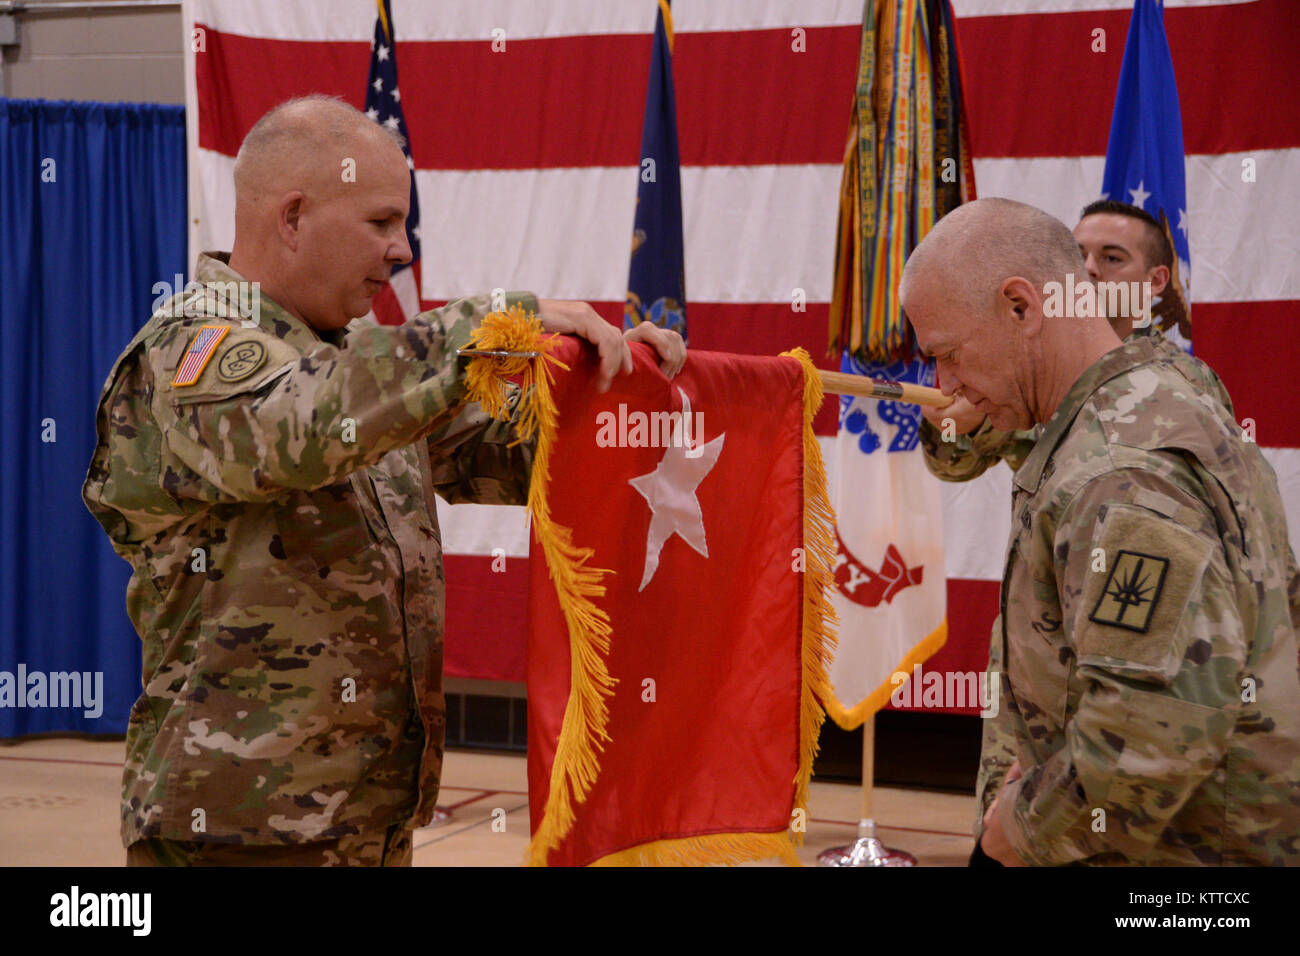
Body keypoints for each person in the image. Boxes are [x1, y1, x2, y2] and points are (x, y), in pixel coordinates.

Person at [82, 95, 685, 866]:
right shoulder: (189, 353)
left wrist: (615, 400)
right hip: (238, 830)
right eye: (380, 223)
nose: (402, 251)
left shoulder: (367, 362)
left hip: (368, 822)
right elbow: (306, 427)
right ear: (293, 217)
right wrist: (502, 318)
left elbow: (503, 456)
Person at [900, 197, 1300, 865]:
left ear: (1023, 308)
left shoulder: (1118, 468)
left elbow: (1155, 722)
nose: (944, 384)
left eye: (947, 354)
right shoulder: (1133, 403)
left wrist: (1023, 829)